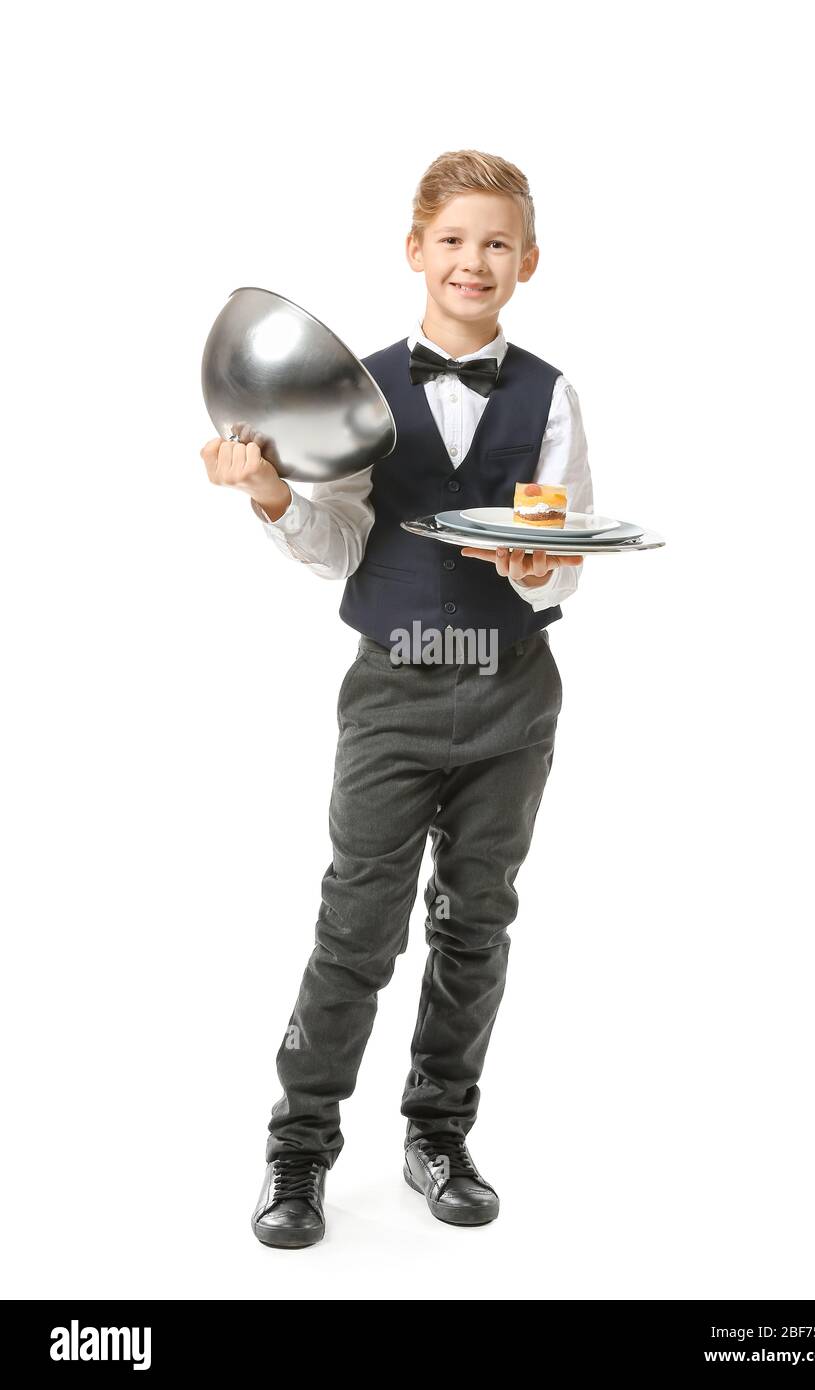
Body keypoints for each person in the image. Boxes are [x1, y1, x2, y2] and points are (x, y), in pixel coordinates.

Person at [201, 148, 594, 1248]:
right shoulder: (355, 388)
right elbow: (335, 545)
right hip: (392, 693)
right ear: (416, 250)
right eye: (454, 239)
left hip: (515, 694)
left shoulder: (550, 395)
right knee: (356, 926)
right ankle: (299, 1146)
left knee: (477, 923)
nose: (475, 260)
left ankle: (438, 1133)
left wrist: (537, 568)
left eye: (497, 243)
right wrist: (272, 490)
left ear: (527, 261)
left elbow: (564, 552)